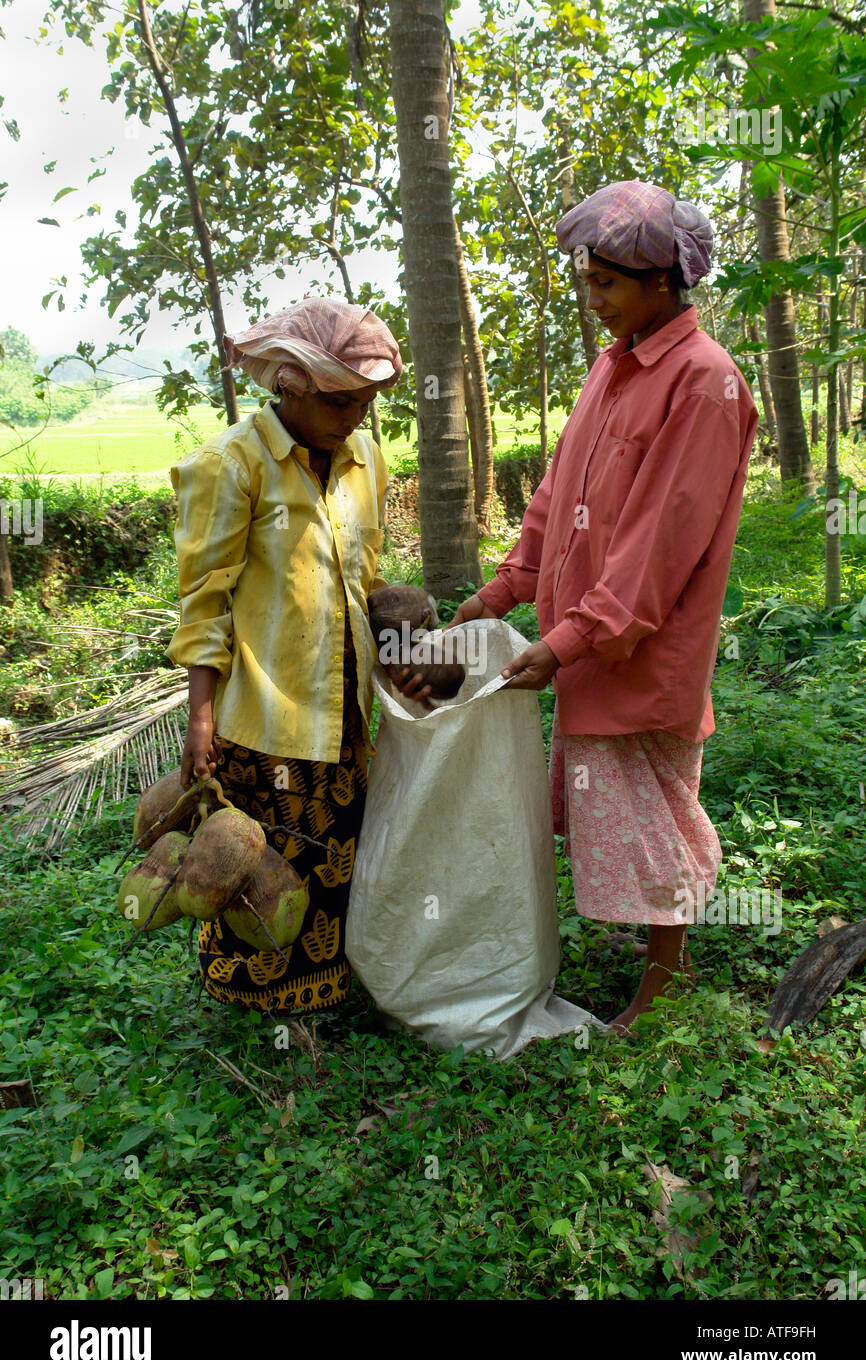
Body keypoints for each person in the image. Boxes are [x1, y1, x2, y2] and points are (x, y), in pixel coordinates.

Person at [444, 180, 759, 1034]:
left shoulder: (704, 384)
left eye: (607, 284)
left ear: (663, 282)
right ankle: (656, 953)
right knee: (616, 810)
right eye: (589, 282)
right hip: (588, 642)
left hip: (639, 646)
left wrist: (568, 642)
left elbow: (662, 543)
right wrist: (504, 586)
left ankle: (670, 975)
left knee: (654, 816)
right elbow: (557, 497)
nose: (593, 301)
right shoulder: (612, 366)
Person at [165, 297, 426, 1016]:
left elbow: (362, 577)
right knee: (261, 860)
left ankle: (328, 989)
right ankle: (257, 999)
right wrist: (200, 718)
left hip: (343, 704)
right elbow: (206, 601)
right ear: (290, 382)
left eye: (367, 402)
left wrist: (397, 656)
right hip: (265, 713)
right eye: (342, 400)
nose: (357, 418)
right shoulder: (230, 465)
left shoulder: (363, 459)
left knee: (336, 853)